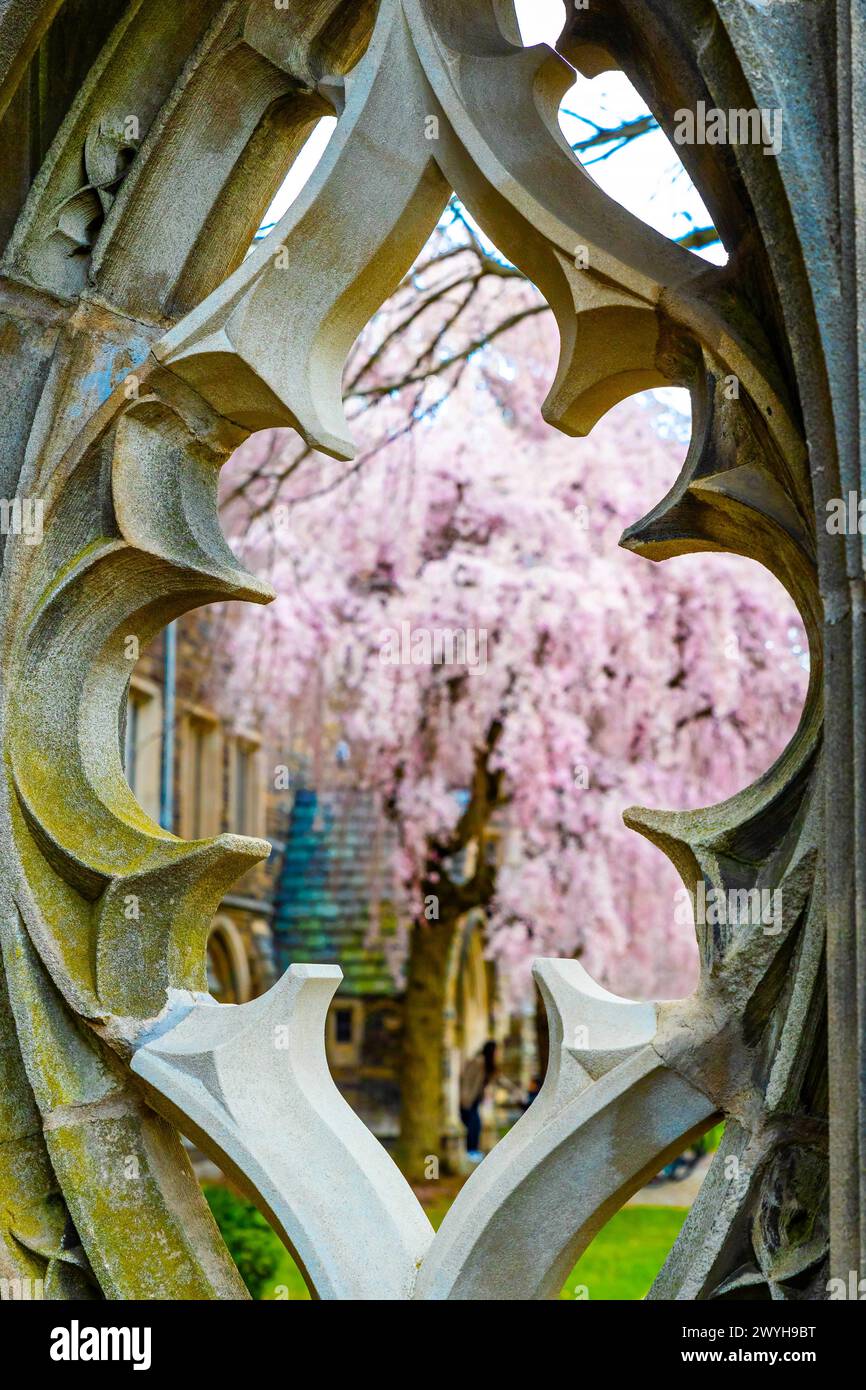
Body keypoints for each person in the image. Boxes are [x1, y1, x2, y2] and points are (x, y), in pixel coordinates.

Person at [459, 1040, 498, 1161]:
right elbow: (466, 1080)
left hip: (475, 1101)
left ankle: (472, 1151)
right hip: (468, 1100)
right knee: (474, 1125)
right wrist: (464, 1099)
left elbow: (498, 1079)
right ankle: (471, 1152)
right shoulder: (477, 1062)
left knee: (475, 1125)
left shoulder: (488, 1064)